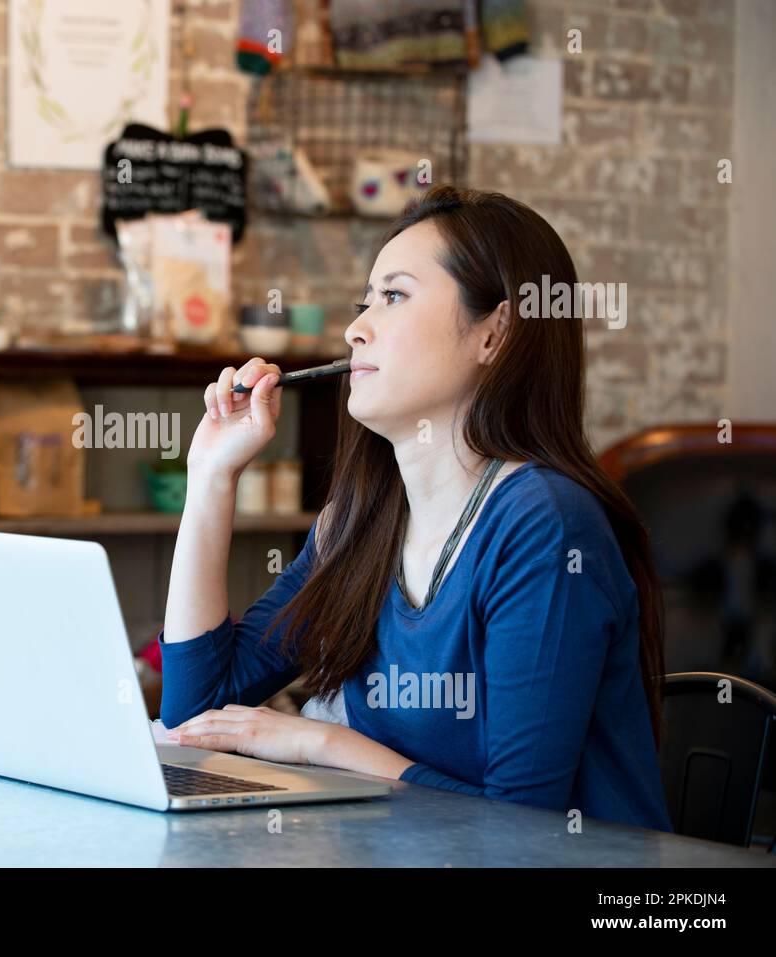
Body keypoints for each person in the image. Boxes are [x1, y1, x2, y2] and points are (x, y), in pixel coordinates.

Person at [159, 185, 672, 832]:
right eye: (362, 301)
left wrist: (321, 743)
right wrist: (210, 475)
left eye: (394, 296)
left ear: (494, 333)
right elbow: (195, 710)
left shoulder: (545, 524)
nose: (355, 328)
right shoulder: (359, 519)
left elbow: (520, 825)